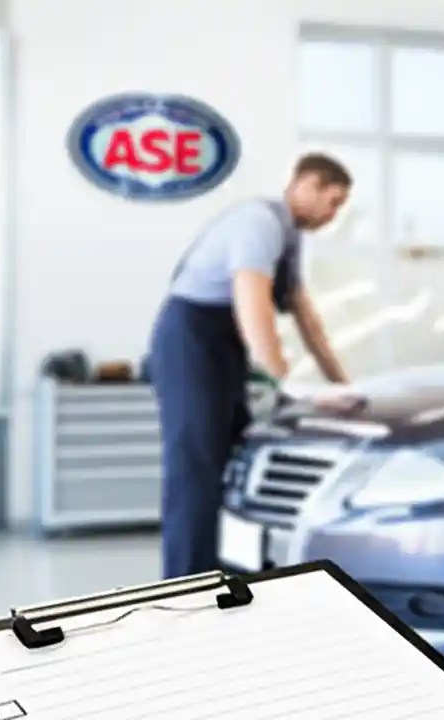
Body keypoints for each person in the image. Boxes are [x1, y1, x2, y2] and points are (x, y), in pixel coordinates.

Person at [148, 153, 356, 580]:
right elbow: (252, 305)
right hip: (191, 338)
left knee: (234, 459)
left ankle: (222, 573)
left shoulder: (290, 235)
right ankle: (184, 585)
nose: (334, 214)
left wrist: (344, 384)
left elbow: (305, 316)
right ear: (308, 185)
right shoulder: (258, 223)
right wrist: (284, 382)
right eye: (333, 202)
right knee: (197, 467)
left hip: (222, 345)